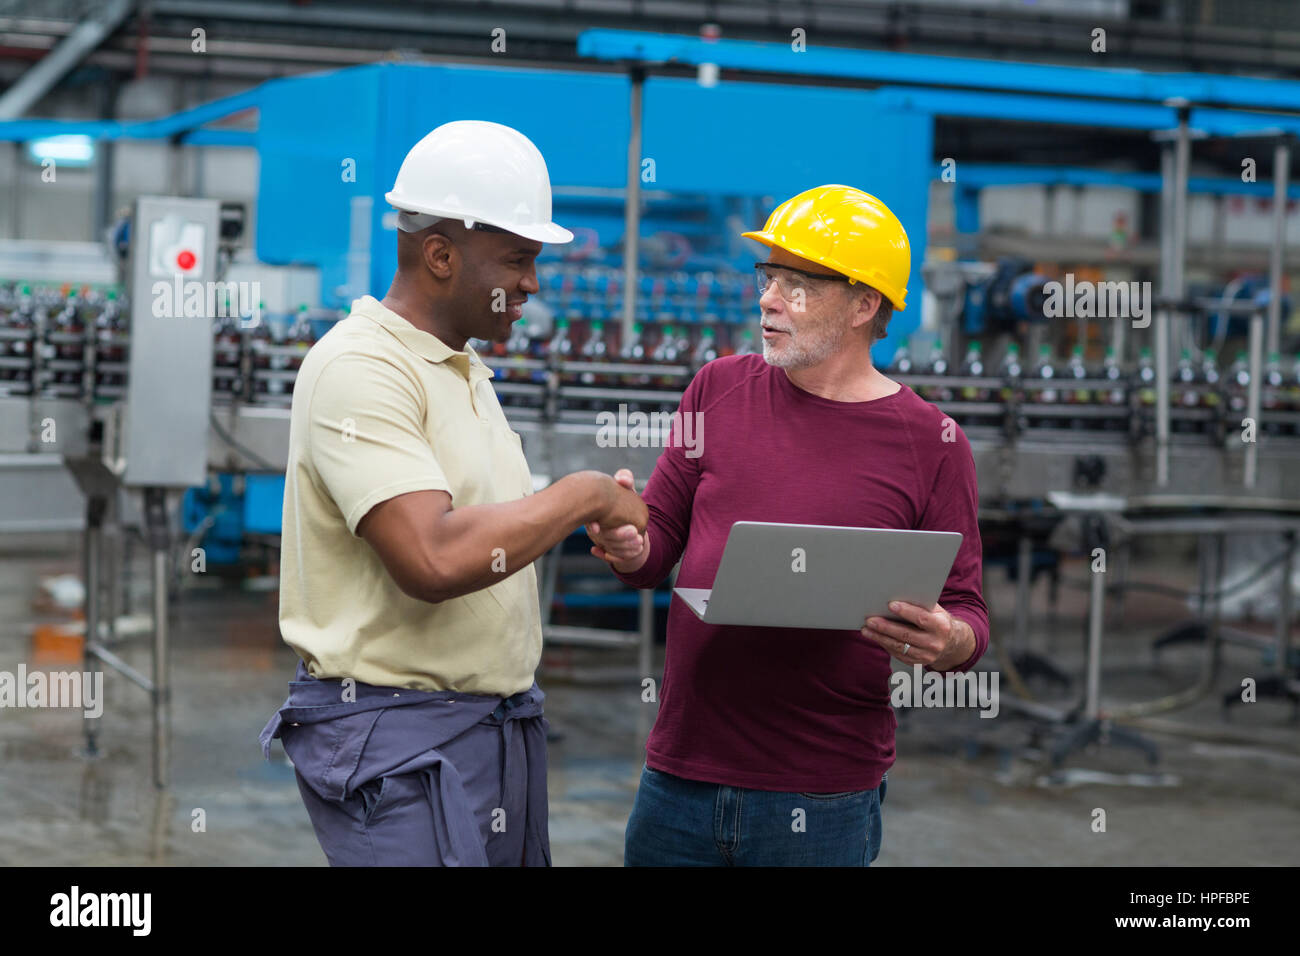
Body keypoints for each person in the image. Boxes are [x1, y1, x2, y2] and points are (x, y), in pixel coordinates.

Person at [258, 120, 646, 866]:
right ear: (440, 254)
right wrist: (583, 496)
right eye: (517, 259)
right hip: (399, 745)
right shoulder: (362, 369)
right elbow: (432, 560)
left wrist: (580, 523)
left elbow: (481, 526)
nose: (532, 283)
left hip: (494, 729)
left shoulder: (461, 370)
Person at [587, 184, 988, 867]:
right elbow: (657, 552)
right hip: (680, 775)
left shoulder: (931, 441)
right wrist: (629, 543)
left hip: (823, 792)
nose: (769, 298)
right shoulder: (716, 389)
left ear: (865, 304)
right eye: (768, 277)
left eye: (798, 283)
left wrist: (947, 641)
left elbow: (969, 614)